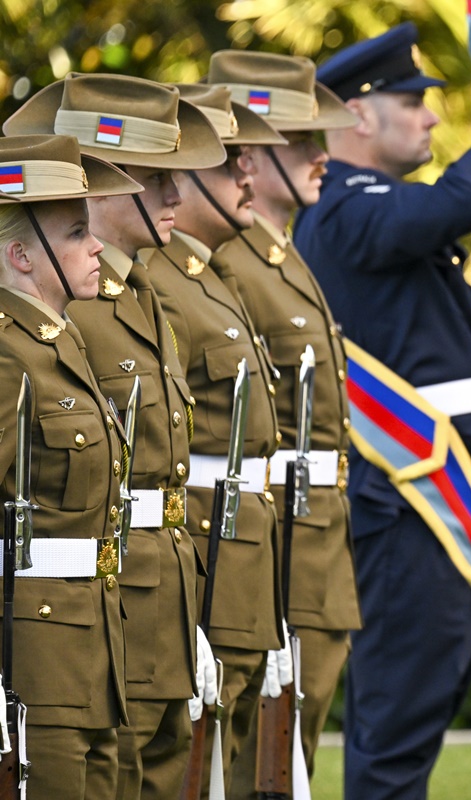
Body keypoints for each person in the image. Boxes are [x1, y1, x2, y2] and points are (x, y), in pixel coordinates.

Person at [292, 22, 471, 799]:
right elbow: (453, 206)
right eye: (412, 101)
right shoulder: (342, 206)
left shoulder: (373, 206)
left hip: (431, 508)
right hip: (405, 509)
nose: (431, 116)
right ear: (358, 115)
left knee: (418, 718)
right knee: (394, 736)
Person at [2, 72, 226, 800]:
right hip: (48, 646)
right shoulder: (20, 346)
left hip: (109, 627)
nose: (174, 194)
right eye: (75, 233)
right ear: (22, 255)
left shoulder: (84, 322)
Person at [204, 49, 362, 787]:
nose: (322, 155)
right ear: (250, 154)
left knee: (293, 756)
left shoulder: (281, 255)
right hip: (278, 533)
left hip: (315, 532)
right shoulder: (232, 262)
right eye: (301, 141)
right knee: (253, 763)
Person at [141, 83, 288, 796]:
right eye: (229, 162)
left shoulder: (206, 276)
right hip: (204, 543)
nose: (246, 176)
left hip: (244, 548)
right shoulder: (160, 280)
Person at [0, 133, 141, 799]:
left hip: (91, 647)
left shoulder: (62, 344)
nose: (97, 247)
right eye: (77, 233)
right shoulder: (8, 356)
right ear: (21, 255)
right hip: (33, 662)